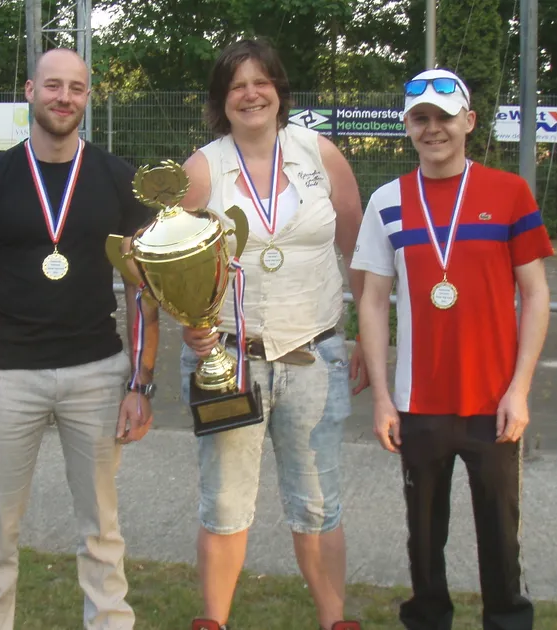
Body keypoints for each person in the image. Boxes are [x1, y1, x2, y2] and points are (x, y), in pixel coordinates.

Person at [0, 48, 160, 630]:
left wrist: (141, 381)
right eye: (53, 86)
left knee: (102, 531)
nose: (64, 97)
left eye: (77, 88)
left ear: (88, 97)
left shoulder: (119, 177)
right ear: (30, 90)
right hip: (7, 378)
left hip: (97, 374)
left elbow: (144, 290)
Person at [351, 68, 553, 630]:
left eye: (444, 117)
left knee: (500, 531)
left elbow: (535, 295)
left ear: (468, 122)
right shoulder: (387, 200)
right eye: (421, 118)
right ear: (407, 127)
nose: (432, 128)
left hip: (494, 402)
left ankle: (507, 619)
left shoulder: (509, 193)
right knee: (423, 536)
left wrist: (520, 389)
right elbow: (371, 301)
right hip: (419, 403)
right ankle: (428, 619)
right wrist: (383, 399)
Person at [178, 39, 369, 630]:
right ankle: (214, 621)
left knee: (317, 506)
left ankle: (335, 621)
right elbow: (176, 262)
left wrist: (368, 334)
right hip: (232, 362)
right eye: (237, 85)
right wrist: (194, 325)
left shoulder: (322, 154)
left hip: (316, 353)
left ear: (280, 92)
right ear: (221, 99)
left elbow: (359, 250)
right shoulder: (202, 168)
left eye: (261, 82)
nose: (250, 94)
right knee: (226, 506)